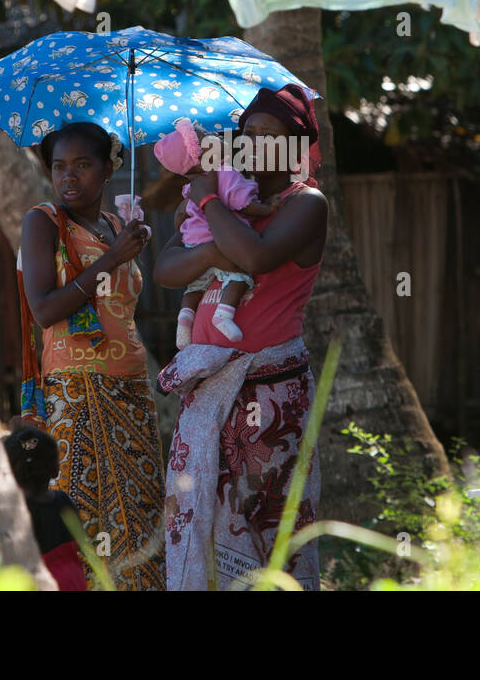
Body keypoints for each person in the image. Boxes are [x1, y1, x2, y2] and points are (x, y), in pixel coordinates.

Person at [153, 84, 328, 590]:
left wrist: (206, 195)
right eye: (247, 134)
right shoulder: (228, 194)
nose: (252, 145)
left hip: (270, 401)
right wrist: (209, 252)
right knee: (205, 523)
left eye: (268, 137)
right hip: (212, 395)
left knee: (268, 531)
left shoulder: (306, 203)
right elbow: (166, 266)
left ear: (295, 149)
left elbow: (254, 257)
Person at [16, 121, 165, 590]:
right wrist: (110, 259)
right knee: (87, 513)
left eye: (82, 165)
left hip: (133, 387)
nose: (69, 177)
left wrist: (123, 248)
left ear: (108, 169)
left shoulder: (119, 227)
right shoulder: (42, 223)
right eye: (59, 166)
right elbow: (43, 309)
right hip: (77, 390)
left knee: (141, 515)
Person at [152, 119, 277, 347]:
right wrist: (267, 208)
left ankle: (184, 319)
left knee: (194, 288)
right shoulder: (223, 172)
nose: (217, 136)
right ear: (201, 156)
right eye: (209, 137)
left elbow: (179, 219)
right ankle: (224, 315)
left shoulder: (191, 187)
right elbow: (242, 202)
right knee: (239, 277)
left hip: (192, 244)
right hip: (219, 242)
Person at [2, 424, 87, 591]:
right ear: (55, 470)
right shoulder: (63, 500)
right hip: (73, 581)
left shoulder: (15, 512)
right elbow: (82, 542)